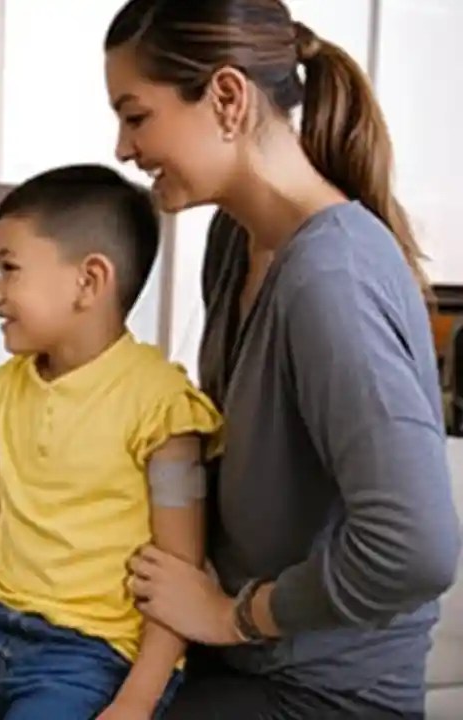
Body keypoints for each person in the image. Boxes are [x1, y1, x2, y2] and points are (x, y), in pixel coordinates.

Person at [102, 1, 462, 718]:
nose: (122, 148)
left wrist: (234, 615)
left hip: (320, 692)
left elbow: (416, 549)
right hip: (242, 656)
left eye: (137, 116)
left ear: (228, 98)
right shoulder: (235, 243)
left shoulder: (332, 281)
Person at [0, 164, 224, 719]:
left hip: (93, 656)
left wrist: (137, 699)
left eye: (10, 270)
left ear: (89, 281)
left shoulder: (160, 404)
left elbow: (180, 566)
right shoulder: (3, 390)